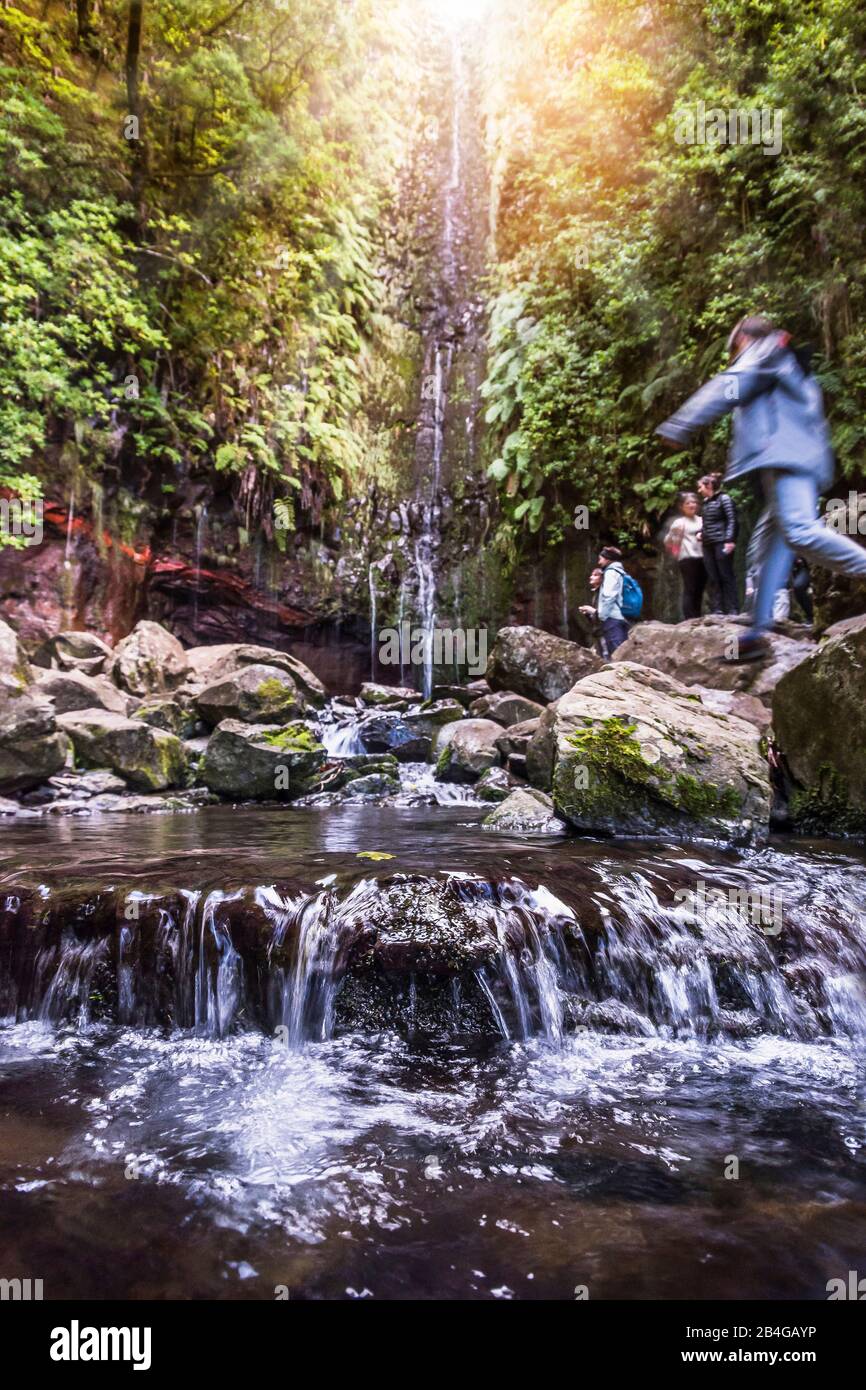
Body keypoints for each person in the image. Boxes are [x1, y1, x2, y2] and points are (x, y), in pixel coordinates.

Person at [656, 313, 866, 661]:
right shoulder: (788, 363)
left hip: (786, 458)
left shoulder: (765, 351)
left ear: (742, 339)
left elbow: (732, 384)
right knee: (769, 546)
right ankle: (758, 631)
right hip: (792, 459)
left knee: (798, 531)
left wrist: (681, 424)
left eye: (735, 345)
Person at [697, 473, 739, 614]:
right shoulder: (706, 503)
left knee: (726, 575)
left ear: (708, 485)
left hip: (722, 542)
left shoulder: (724, 499)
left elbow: (732, 520)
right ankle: (717, 609)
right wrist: (701, 533)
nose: (699, 490)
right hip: (708, 544)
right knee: (713, 577)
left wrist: (730, 540)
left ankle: (733, 609)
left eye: (700, 487)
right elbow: (706, 523)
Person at [663, 492, 705, 619]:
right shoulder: (679, 522)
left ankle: (697, 616)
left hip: (702, 557)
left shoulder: (702, 520)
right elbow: (667, 541)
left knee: (700, 588)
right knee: (690, 587)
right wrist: (676, 550)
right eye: (688, 503)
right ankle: (689, 618)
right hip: (687, 558)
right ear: (682, 506)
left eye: (694, 502)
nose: (692, 505)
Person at [595, 546, 630, 654]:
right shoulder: (620, 572)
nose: (599, 562)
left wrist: (602, 615)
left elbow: (609, 595)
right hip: (621, 616)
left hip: (613, 617)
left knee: (616, 652)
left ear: (607, 559)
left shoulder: (611, 572)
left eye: (600, 558)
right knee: (621, 651)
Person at [579, 566, 608, 654]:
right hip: (598, 632)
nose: (591, 577)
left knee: (607, 655)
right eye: (592, 575)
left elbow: (605, 614)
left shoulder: (605, 593)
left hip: (606, 631)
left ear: (602, 578)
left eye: (595, 575)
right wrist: (587, 614)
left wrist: (591, 610)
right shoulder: (596, 593)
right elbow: (596, 618)